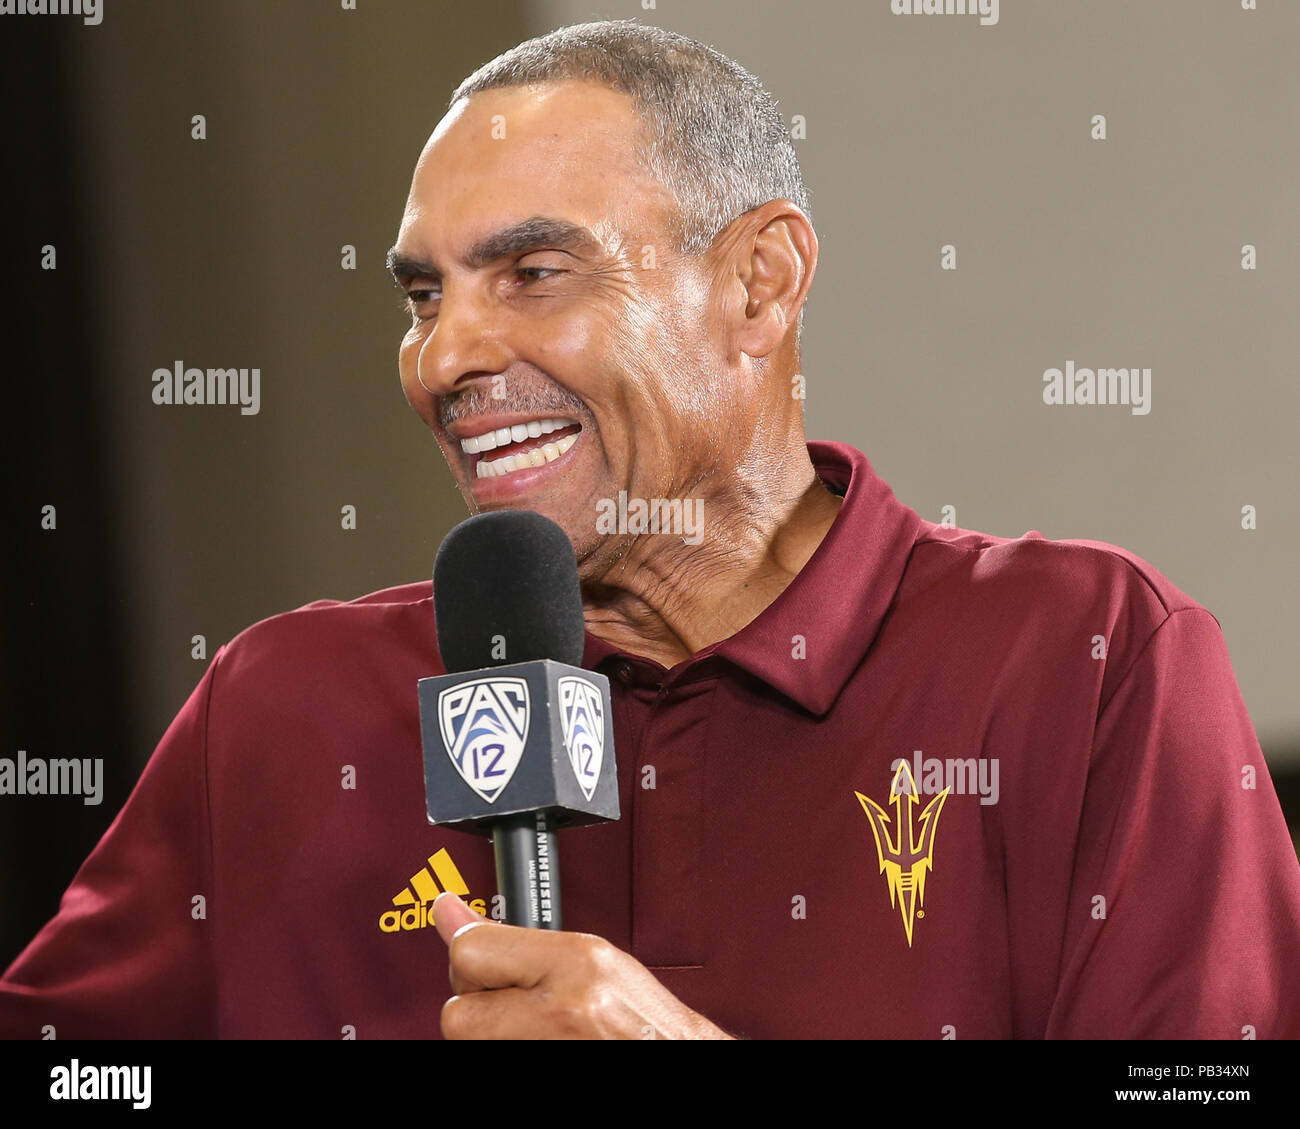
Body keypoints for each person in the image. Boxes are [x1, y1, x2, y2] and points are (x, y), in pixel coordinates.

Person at [3, 19, 1298, 1040]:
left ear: (760, 281)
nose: (446, 355)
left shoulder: (1086, 655)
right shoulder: (285, 707)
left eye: (533, 272)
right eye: (421, 296)